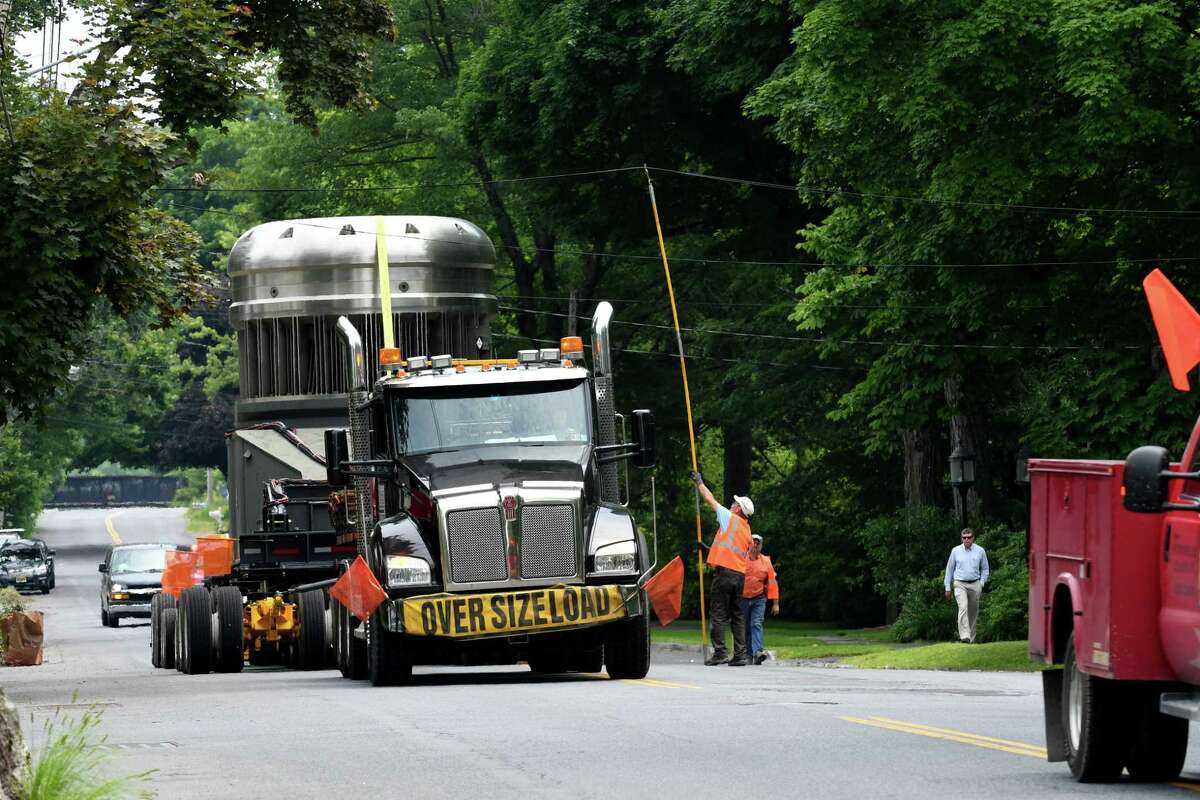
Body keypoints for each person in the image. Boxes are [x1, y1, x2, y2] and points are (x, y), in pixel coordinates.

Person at [691, 471, 755, 666]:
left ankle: (720, 653)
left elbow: (710, 500)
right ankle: (741, 655)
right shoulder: (746, 530)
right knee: (737, 615)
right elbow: (732, 552)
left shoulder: (730, 518)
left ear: (738, 510)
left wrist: (699, 483)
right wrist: (708, 550)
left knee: (718, 613)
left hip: (725, 574)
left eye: (735, 504)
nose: (732, 504)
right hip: (739, 576)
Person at [944, 527, 989, 643]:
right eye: (964, 538)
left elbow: (985, 569)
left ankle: (971, 640)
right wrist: (948, 588)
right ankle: (965, 636)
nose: (967, 540)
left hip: (975, 584)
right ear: (961, 538)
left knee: (973, 612)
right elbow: (949, 570)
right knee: (963, 607)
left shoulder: (980, 551)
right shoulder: (955, 551)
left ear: (973, 538)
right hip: (960, 584)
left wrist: (981, 583)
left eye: (969, 537)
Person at [741, 533, 779, 665]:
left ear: (761, 546)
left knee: (756, 623)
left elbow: (772, 583)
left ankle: (758, 652)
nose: (755, 545)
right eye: (753, 542)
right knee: (745, 626)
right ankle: (748, 654)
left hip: (759, 598)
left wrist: (775, 603)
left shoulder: (766, 561)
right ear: (749, 544)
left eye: (758, 543)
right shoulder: (741, 558)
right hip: (743, 598)